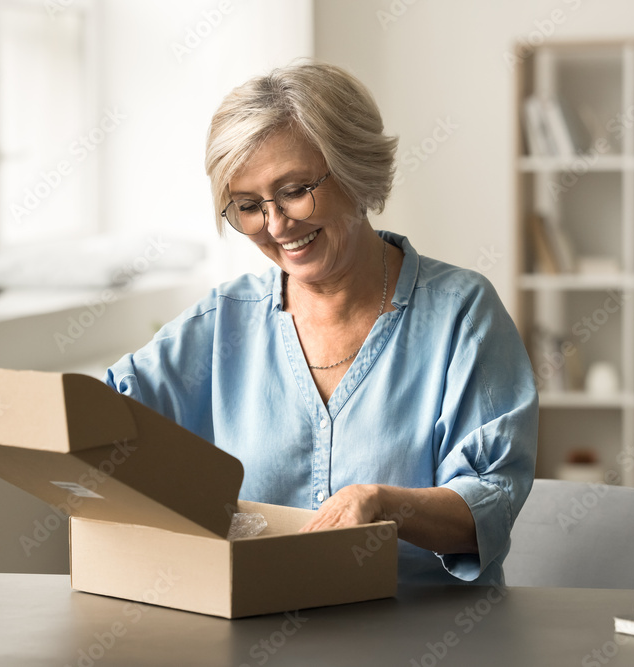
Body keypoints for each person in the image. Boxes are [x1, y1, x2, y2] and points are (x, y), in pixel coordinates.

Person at [104, 61, 537, 584]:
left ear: (355, 171)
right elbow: (100, 417)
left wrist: (381, 505)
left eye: (294, 190)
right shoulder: (223, 324)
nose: (277, 225)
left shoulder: (461, 314)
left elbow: (488, 505)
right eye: (247, 206)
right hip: (263, 632)